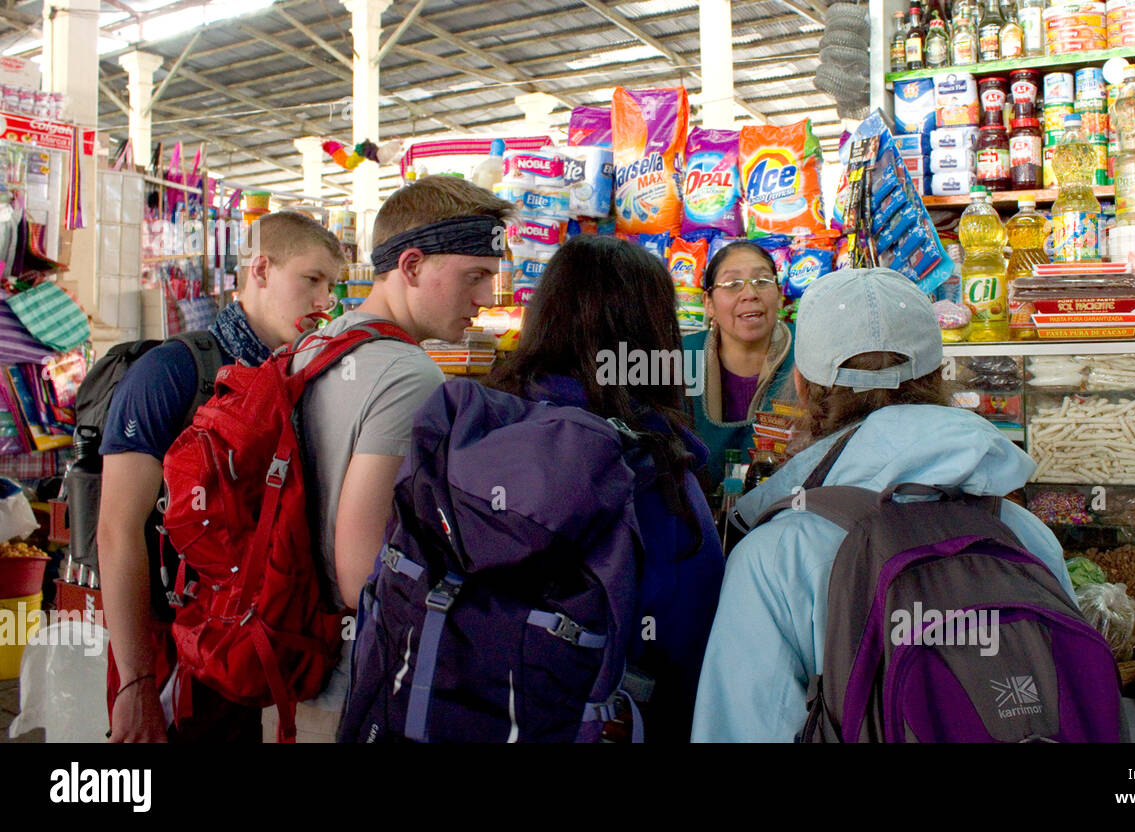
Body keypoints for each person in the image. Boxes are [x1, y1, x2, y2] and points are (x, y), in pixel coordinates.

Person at [690, 268, 1077, 743]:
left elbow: (743, 730)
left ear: (803, 388)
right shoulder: (1027, 534)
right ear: (938, 376)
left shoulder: (774, 557)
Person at [270, 175, 512, 742]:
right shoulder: (409, 373)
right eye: (474, 276)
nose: (485, 299)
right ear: (410, 265)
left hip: (288, 661)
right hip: (349, 687)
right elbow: (363, 574)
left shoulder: (317, 344)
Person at [99, 211, 344, 742]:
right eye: (312, 279)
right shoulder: (174, 371)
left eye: (332, 285)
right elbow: (117, 530)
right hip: (172, 653)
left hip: (263, 648)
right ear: (260, 269)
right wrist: (137, 683)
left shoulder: (298, 379)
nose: (325, 300)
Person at [485, 234, 725, 740]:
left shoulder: (482, 424)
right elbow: (689, 646)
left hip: (463, 709)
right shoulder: (653, 469)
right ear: (653, 337)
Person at [682, 241, 796, 487]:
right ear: (708, 303)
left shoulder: (808, 354)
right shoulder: (680, 358)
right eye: (733, 284)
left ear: (778, 295)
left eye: (762, 282)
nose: (750, 294)